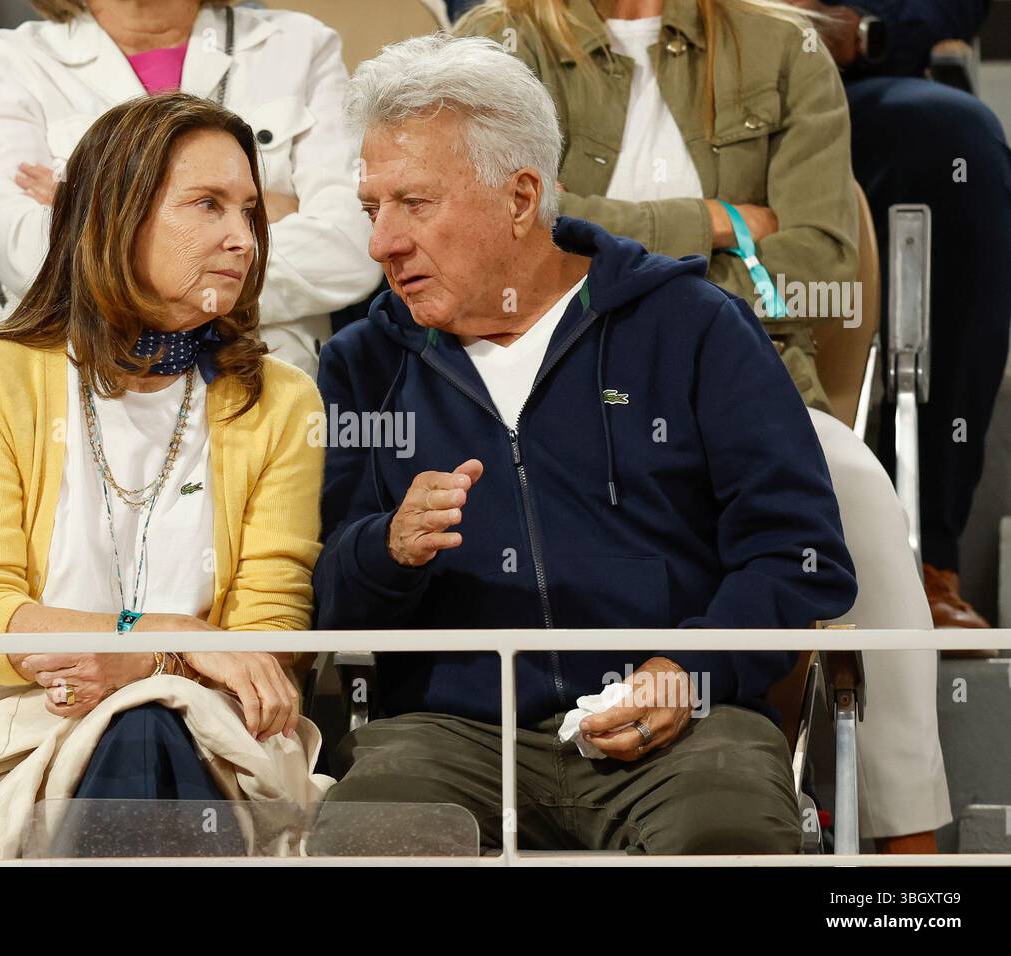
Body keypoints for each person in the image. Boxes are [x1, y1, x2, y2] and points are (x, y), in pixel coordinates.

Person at [312, 34, 857, 854]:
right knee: (371, 837)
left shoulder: (693, 326)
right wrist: (387, 550)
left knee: (726, 832)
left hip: (684, 729)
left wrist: (693, 670)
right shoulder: (360, 365)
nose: (381, 243)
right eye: (371, 209)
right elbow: (328, 600)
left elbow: (800, 554)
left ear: (522, 197)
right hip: (449, 734)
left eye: (414, 205)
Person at [0, 93, 327, 858]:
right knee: (135, 738)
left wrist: (150, 665)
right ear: (116, 217)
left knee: (148, 730)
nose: (242, 239)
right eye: (208, 206)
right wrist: (163, 634)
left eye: (249, 212)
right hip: (25, 730)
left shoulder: (281, 399)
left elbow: (268, 643)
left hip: (217, 736)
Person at [456, 0, 858, 414]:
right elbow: (487, 237)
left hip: (746, 378)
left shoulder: (784, 42)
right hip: (546, 389)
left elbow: (823, 268)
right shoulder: (495, 40)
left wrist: (595, 273)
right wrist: (709, 222)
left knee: (839, 475)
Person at [0, 0, 381, 376]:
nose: (231, 223)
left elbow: (350, 249)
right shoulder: (4, 63)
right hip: (67, 372)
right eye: (208, 204)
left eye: (245, 208)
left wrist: (102, 210)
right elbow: (28, 256)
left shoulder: (299, 45)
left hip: (262, 369)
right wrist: (270, 211)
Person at [791, 0, 1009, 632]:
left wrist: (865, 30)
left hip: (841, 82)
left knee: (954, 141)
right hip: (622, 80)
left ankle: (925, 560)